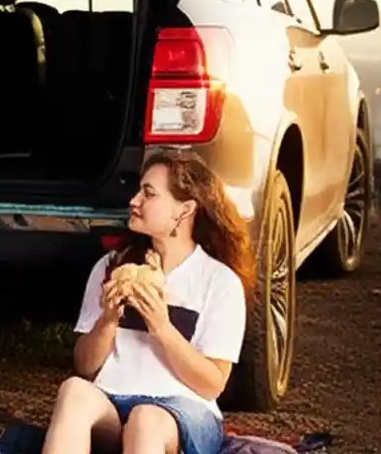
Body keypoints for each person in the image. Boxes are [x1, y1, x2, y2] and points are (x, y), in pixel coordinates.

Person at [40, 149, 257, 454]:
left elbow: (211, 384)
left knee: (145, 420)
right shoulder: (112, 267)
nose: (134, 201)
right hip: (112, 401)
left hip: (182, 410)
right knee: (73, 391)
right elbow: (85, 368)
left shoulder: (218, 282)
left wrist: (162, 328)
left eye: (148, 194)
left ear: (184, 210)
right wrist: (107, 322)